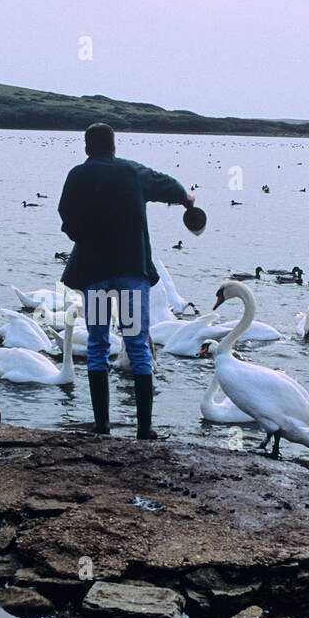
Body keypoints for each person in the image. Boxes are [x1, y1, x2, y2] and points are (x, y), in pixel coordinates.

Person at [57, 122, 196, 438]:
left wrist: (83, 236)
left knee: (97, 344)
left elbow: (65, 213)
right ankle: (144, 429)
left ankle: (102, 426)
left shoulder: (77, 175)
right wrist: (187, 199)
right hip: (132, 272)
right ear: (115, 146)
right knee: (136, 344)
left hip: (94, 274)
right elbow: (167, 185)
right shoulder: (132, 172)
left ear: (87, 148)